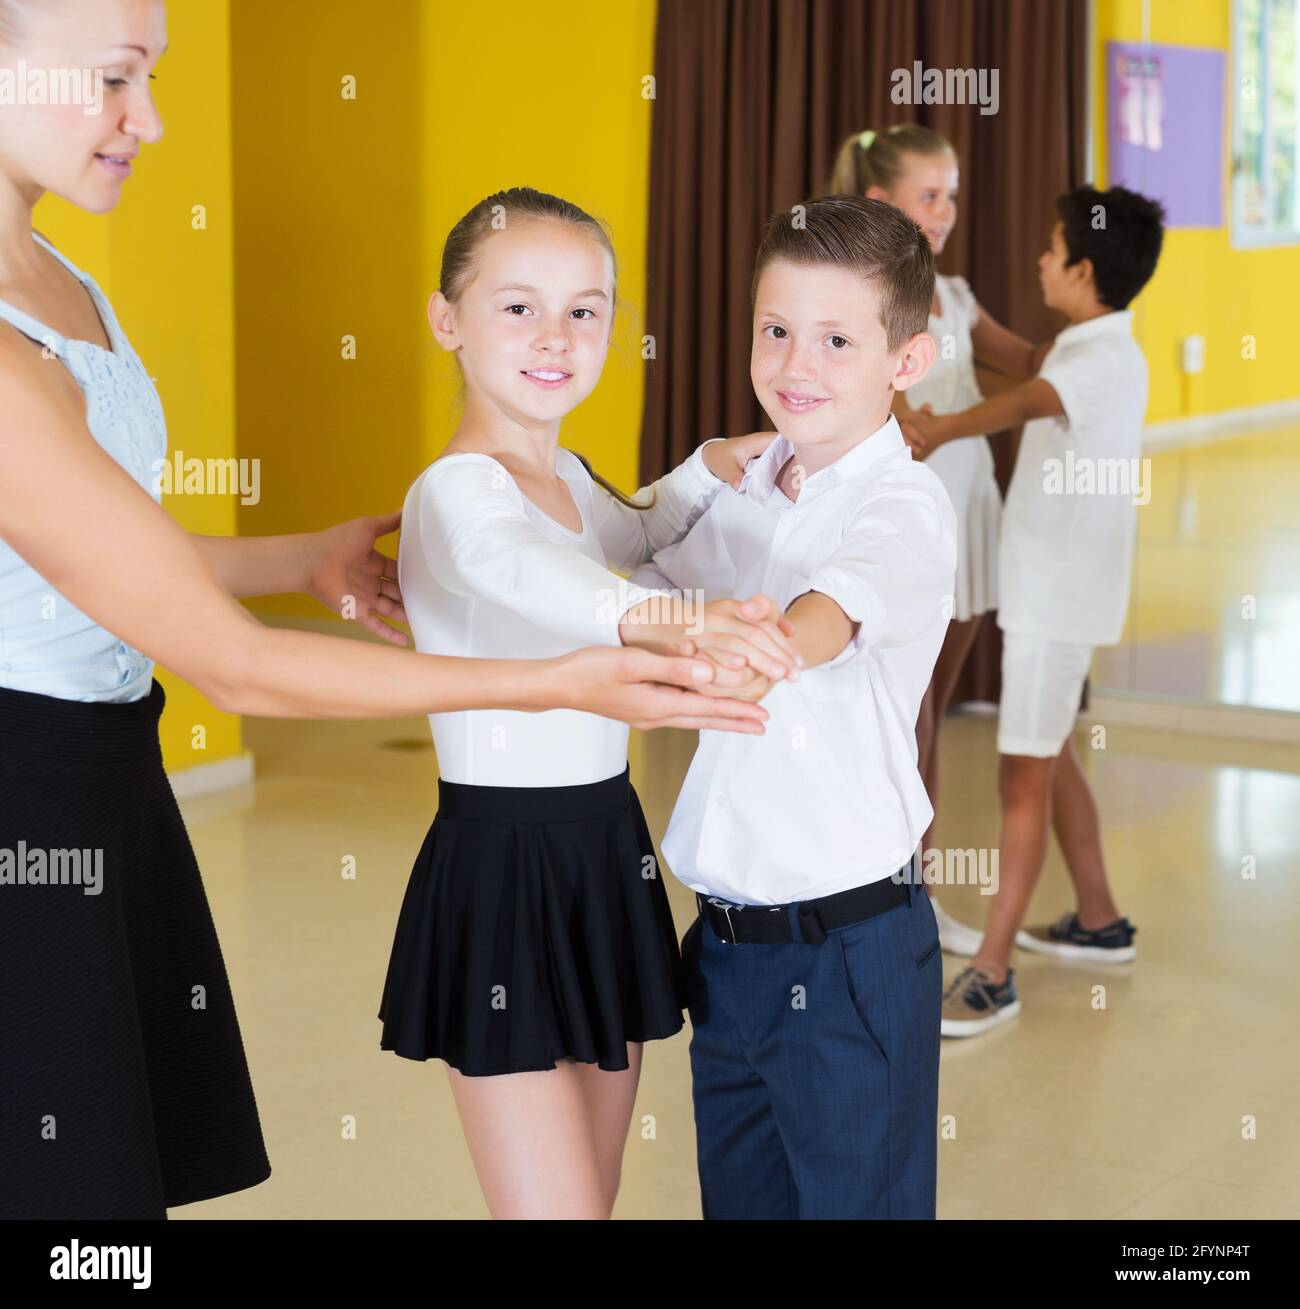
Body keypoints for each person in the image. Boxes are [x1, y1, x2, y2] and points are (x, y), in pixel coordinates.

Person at [0, 0, 772, 1219]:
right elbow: (241, 672)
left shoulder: (62, 280)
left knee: (108, 1187)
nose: (149, 119)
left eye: (152, 76)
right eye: (117, 76)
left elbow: (86, 558)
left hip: (110, 771)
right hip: (28, 789)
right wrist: (566, 671)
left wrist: (298, 552)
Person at [379, 187, 804, 1220]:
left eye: (587, 309)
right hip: (499, 869)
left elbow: (633, 529)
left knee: (590, 1201)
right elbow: (532, 576)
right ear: (448, 321)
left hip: (603, 853)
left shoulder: (563, 472)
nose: (557, 337)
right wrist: (680, 622)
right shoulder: (456, 490)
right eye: (518, 307)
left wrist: (706, 470)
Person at [628, 195, 957, 1218]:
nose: (793, 365)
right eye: (775, 331)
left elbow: (830, 615)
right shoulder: (752, 486)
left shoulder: (902, 504)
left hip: (849, 955)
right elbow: (623, 550)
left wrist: (755, 646)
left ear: (906, 361)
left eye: (835, 340)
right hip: (727, 952)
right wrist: (704, 470)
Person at [902, 185, 1165, 1037]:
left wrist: (941, 429)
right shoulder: (1095, 346)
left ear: (1084, 270)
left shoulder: (1092, 365)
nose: (1041, 260)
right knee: (1051, 759)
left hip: (1057, 603)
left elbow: (1028, 400)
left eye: (1053, 252)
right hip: (1061, 595)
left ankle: (992, 970)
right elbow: (1022, 367)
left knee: (1021, 777)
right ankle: (1098, 918)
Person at [828, 124, 1052, 957]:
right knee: (898, 717)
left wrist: (1101, 319)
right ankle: (882, 892)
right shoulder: (851, 295)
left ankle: (914, 892)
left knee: (928, 721)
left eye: (953, 193)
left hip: (966, 520)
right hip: (896, 530)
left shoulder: (954, 297)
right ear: (883, 200)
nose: (948, 210)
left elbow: (1033, 361)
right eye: (933, 194)